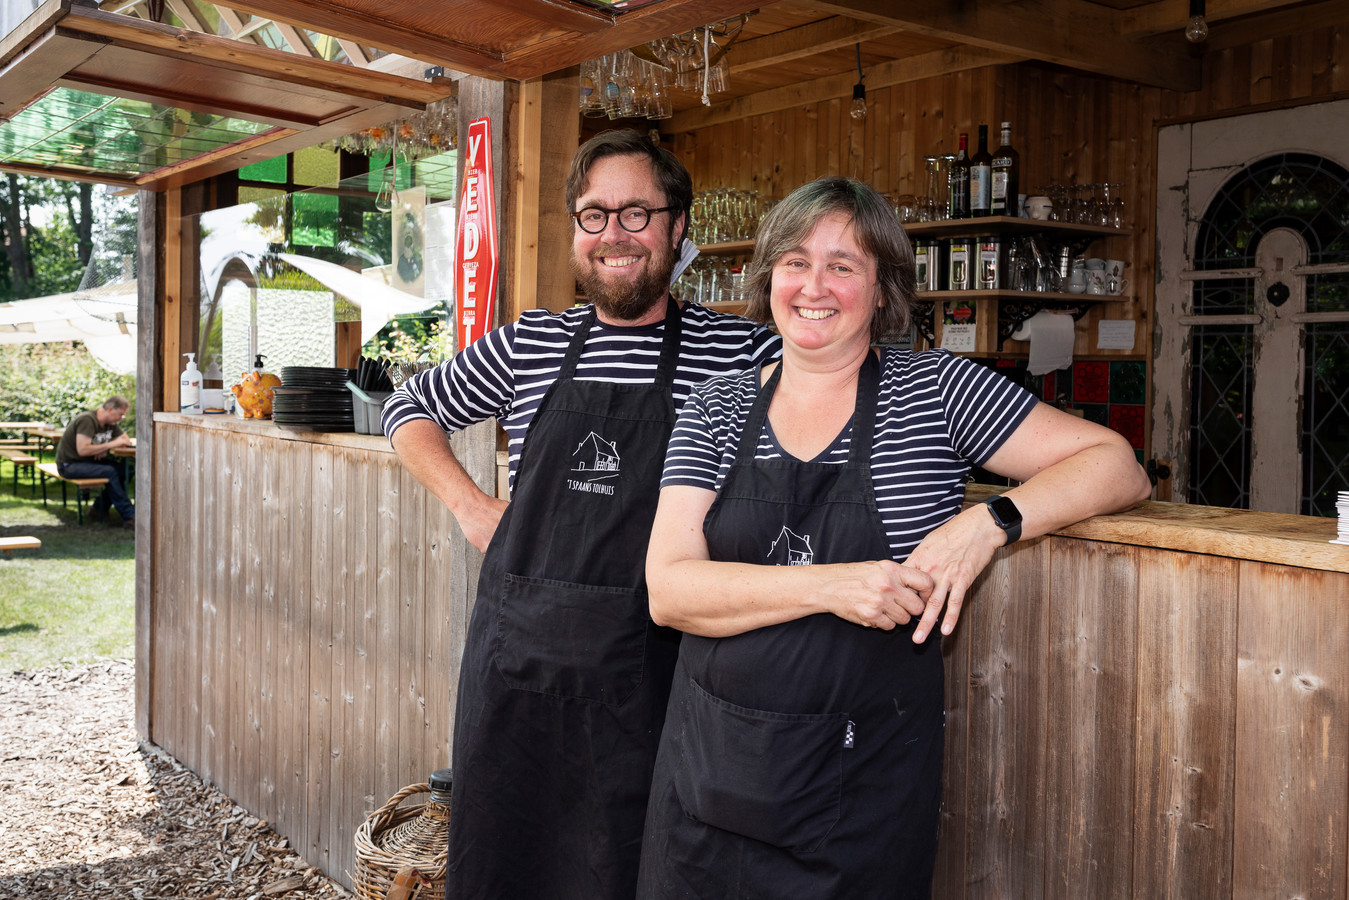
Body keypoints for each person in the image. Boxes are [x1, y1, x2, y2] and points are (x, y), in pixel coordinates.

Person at [637, 176, 1152, 898]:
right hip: (708, 784)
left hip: (858, 792)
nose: (813, 285)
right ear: (768, 278)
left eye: (842, 265)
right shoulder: (716, 404)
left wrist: (991, 521)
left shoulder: (937, 391)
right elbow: (669, 591)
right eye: (794, 261)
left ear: (881, 290)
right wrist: (835, 584)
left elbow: (1118, 467)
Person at [382, 129, 781, 900]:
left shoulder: (740, 353)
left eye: (636, 214)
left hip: (655, 674)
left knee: (638, 866)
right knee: (509, 864)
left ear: (678, 227)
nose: (613, 235)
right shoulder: (533, 342)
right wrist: (468, 505)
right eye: (593, 215)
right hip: (518, 675)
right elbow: (410, 406)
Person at [55, 396, 135, 527]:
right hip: (70, 465)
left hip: (88, 462)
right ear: (110, 409)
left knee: (125, 470)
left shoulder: (111, 424)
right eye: (121, 415)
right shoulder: (87, 420)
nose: (121, 418)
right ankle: (129, 515)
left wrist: (100, 448)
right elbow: (83, 450)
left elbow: (125, 440)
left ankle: (98, 509)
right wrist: (108, 446)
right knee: (110, 472)